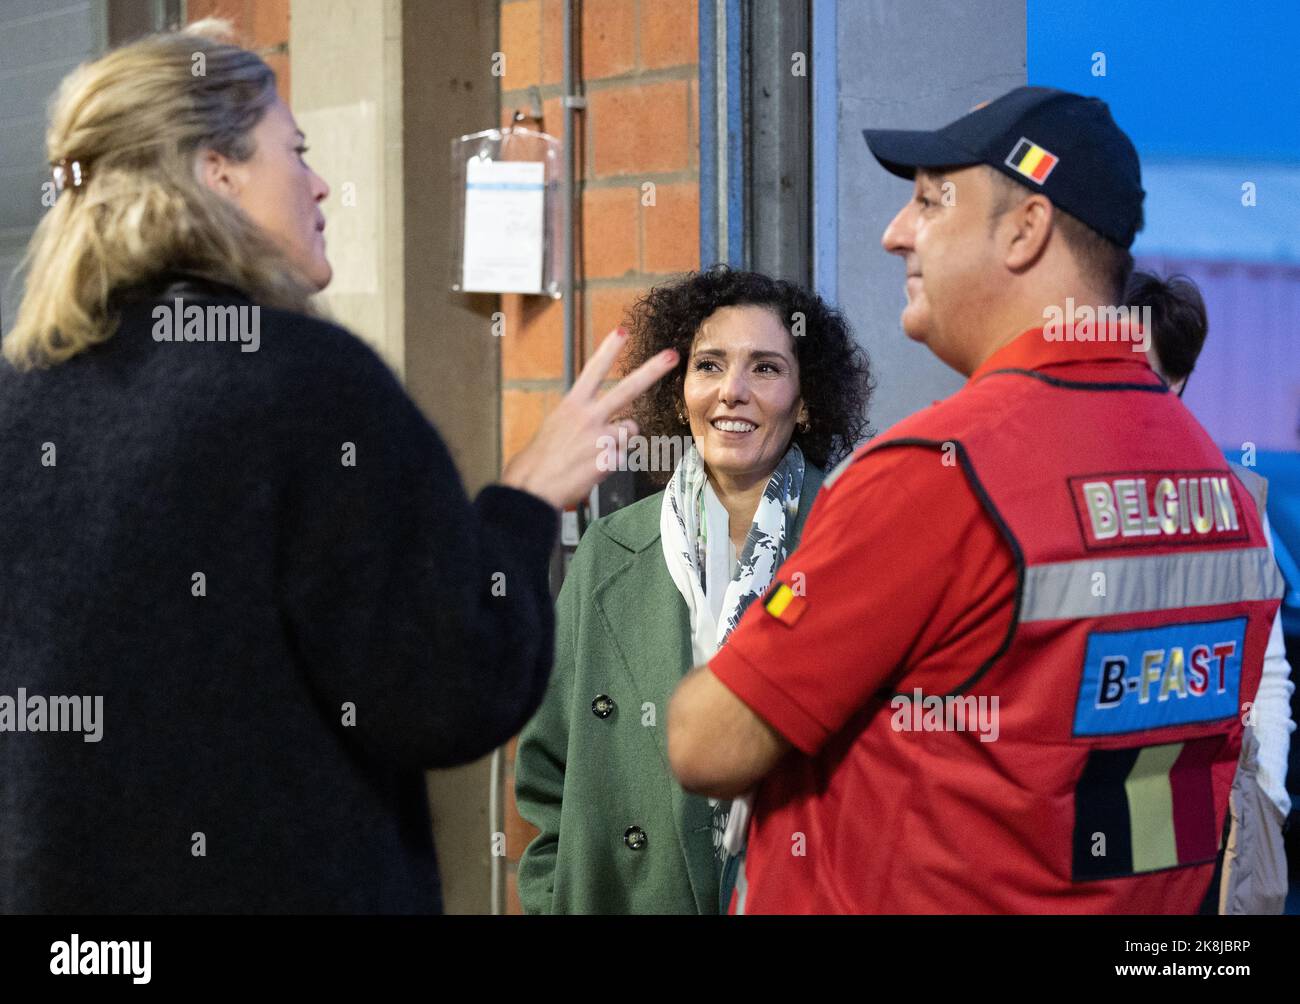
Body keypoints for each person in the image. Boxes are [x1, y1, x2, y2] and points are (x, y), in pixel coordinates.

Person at [0, 21, 675, 913]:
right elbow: (447, 690)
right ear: (218, 170)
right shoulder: (307, 385)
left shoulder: (22, 398)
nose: (319, 184)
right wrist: (523, 505)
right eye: (297, 150)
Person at [667, 86, 1285, 913]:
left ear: (1026, 230)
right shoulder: (1225, 498)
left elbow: (705, 743)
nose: (895, 234)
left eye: (929, 201)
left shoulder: (936, 475)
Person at [514, 266, 872, 913]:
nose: (732, 391)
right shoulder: (610, 550)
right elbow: (546, 774)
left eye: (764, 368)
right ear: (681, 395)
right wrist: (551, 897)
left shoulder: (856, 542)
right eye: (709, 365)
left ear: (807, 398)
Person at [1128, 270, 1294, 913]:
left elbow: (1269, 671)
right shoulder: (1060, 487)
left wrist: (1268, 796)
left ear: (1177, 381)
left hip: (1208, 821)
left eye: (1139, 373)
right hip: (1103, 825)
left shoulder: (1235, 499)